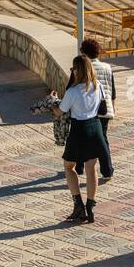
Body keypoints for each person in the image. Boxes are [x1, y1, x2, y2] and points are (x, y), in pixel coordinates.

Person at [53, 54, 106, 223]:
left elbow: (59, 111)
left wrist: (52, 99)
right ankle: (90, 206)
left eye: (73, 69)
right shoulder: (98, 85)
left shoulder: (72, 91)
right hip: (95, 128)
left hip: (79, 129)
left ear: (78, 70)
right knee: (92, 168)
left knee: (69, 166)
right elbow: (102, 106)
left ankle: (78, 205)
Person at [72, 38, 116, 181]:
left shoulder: (81, 68)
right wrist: (112, 109)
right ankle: (107, 170)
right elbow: (112, 92)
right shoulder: (107, 67)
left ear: (84, 53)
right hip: (105, 109)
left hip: (88, 111)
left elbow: (71, 89)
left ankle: (79, 168)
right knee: (102, 139)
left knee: (81, 138)